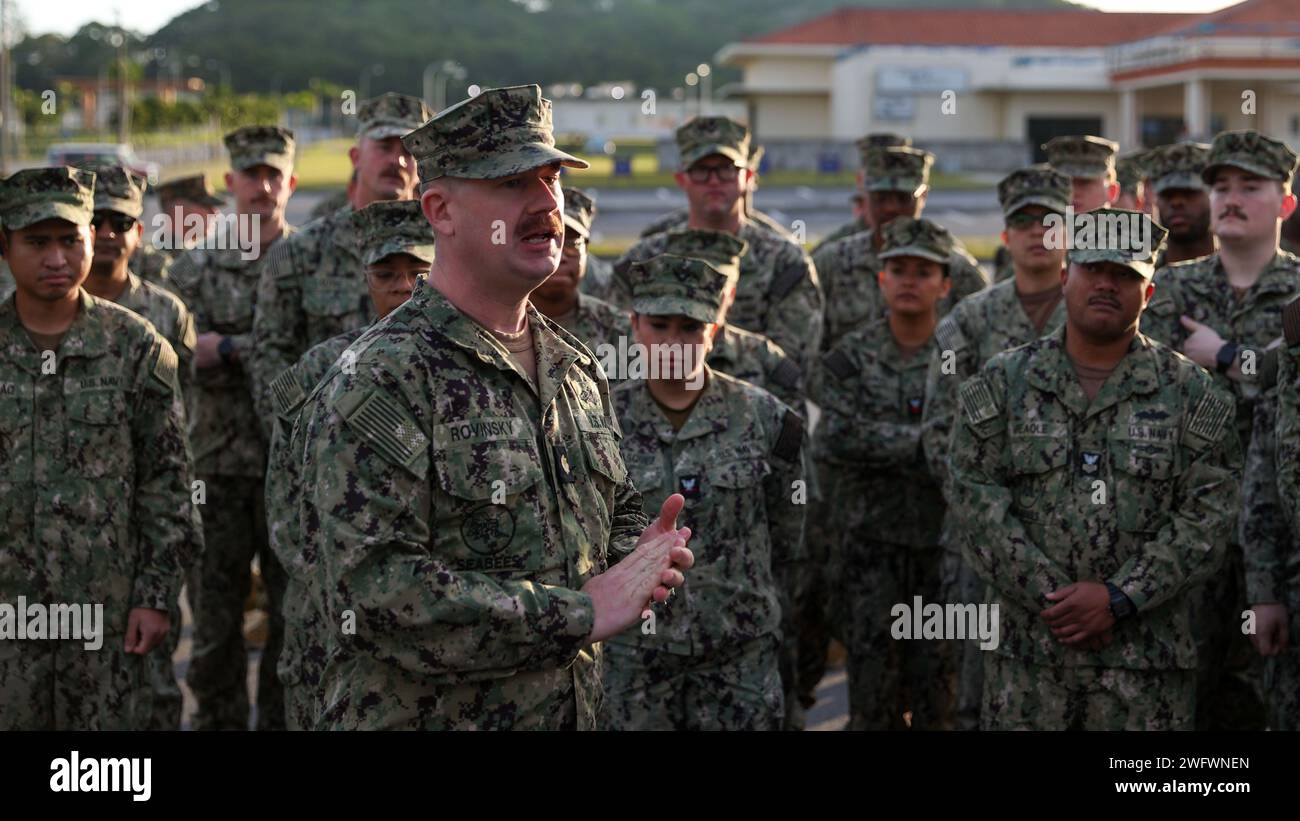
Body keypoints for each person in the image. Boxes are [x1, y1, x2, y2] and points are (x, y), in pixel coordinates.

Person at [293, 84, 694, 730]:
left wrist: (637, 560)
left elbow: (608, 513)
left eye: (551, 178)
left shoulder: (575, 367)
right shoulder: (380, 377)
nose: (545, 204)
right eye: (512, 184)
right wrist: (582, 611)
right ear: (440, 211)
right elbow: (379, 590)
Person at [951, 208, 1240, 730]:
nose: (1108, 284)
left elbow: (1210, 516)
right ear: (1066, 277)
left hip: (1145, 669)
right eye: (1094, 269)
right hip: (1028, 665)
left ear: (1148, 294)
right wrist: (1054, 598)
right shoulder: (1001, 383)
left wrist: (1120, 597)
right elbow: (974, 500)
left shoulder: (1193, 394)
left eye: (1126, 275)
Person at [0, 166, 201, 729]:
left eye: (70, 239)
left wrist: (155, 595)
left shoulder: (137, 348)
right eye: (37, 242)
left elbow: (169, 484)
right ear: (5, 245)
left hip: (110, 621)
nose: (57, 258)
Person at [600, 253, 806, 730]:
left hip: (737, 658)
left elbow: (788, 534)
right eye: (659, 324)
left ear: (715, 330)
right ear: (635, 326)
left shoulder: (769, 420)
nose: (674, 342)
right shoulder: (599, 420)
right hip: (635, 659)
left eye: (691, 327)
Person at [1140, 129, 1300, 730]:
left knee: (1273, 695)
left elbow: (1286, 387)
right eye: (1221, 188)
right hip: (1180, 527)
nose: (1231, 200)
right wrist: (1262, 361)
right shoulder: (1166, 290)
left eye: (1250, 188)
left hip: (1281, 532)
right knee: (1184, 694)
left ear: (1284, 204)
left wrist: (1228, 355)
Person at [265, 199, 434, 730]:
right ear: (365, 277)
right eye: (387, 273)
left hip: (432, 626)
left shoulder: (465, 371)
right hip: (328, 624)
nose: (404, 287)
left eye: (419, 272)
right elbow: (283, 505)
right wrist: (347, 586)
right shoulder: (320, 369)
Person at [921, 165, 1071, 730]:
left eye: (1049, 221)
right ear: (1005, 235)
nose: (1037, 232)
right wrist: (994, 517)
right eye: (1023, 221)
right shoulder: (970, 319)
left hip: (1076, 542)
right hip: (979, 544)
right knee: (974, 694)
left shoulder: (1099, 314)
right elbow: (941, 430)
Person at [169, 124, 298, 730]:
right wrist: (257, 351)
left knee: (292, 627)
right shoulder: (195, 266)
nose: (263, 186)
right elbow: (179, 349)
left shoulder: (310, 264)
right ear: (231, 183)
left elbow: (325, 355)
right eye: (252, 174)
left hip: (292, 475)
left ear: (291, 183)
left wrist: (227, 348)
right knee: (215, 629)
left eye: (274, 174)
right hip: (215, 472)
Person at [814, 217, 956, 730]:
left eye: (923, 271)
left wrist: (883, 442)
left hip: (940, 551)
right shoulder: (850, 357)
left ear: (945, 283)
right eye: (898, 269)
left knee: (940, 697)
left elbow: (969, 445)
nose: (910, 281)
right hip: (869, 554)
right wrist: (923, 443)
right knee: (873, 701)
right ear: (881, 279)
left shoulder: (963, 357)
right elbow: (833, 438)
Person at [76, 163, 199, 730]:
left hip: (141, 534)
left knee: (150, 693)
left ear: (138, 232)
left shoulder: (164, 315)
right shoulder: (35, 311)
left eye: (119, 222)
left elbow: (179, 433)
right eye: (95, 221)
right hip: (62, 547)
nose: (107, 234)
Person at [251, 93, 430, 435]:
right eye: (385, 146)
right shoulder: (299, 252)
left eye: (409, 150)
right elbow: (269, 360)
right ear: (356, 156)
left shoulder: (450, 250)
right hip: (329, 449)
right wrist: (297, 445)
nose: (399, 161)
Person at [611, 115, 824, 373]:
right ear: (682, 179)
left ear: (747, 176)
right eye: (701, 170)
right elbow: (618, 353)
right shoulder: (645, 258)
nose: (713, 181)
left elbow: (791, 364)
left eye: (725, 169)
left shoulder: (785, 261)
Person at [811, 145, 988, 353]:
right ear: (865, 197)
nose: (891, 208)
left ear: (923, 197)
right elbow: (809, 344)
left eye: (904, 198)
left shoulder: (955, 268)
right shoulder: (832, 263)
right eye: (881, 197)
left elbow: (982, 344)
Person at [529, 187, 629, 353]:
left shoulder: (620, 331)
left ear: (586, 250)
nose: (560, 254)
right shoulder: (498, 328)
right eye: (545, 238)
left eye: (573, 244)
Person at [810, 133, 912, 256]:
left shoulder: (930, 246)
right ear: (860, 180)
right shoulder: (832, 252)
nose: (890, 206)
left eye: (897, 177)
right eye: (876, 177)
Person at [1144, 142, 1215, 267]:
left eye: (1189, 193)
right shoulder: (1143, 276)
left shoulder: (1241, 273)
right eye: (1167, 194)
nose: (1177, 202)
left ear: (1212, 196)